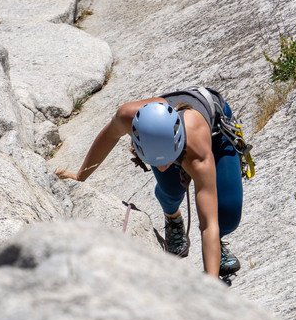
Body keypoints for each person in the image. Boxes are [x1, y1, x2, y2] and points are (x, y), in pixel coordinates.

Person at [55, 87, 243, 279]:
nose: (161, 168)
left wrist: (210, 286)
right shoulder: (128, 117)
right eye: (155, 162)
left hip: (215, 133)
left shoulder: (198, 155)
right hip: (163, 139)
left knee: (227, 214)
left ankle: (217, 247)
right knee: (170, 189)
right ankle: (172, 217)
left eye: (167, 161)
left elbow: (208, 225)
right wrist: (79, 176)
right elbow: (109, 136)